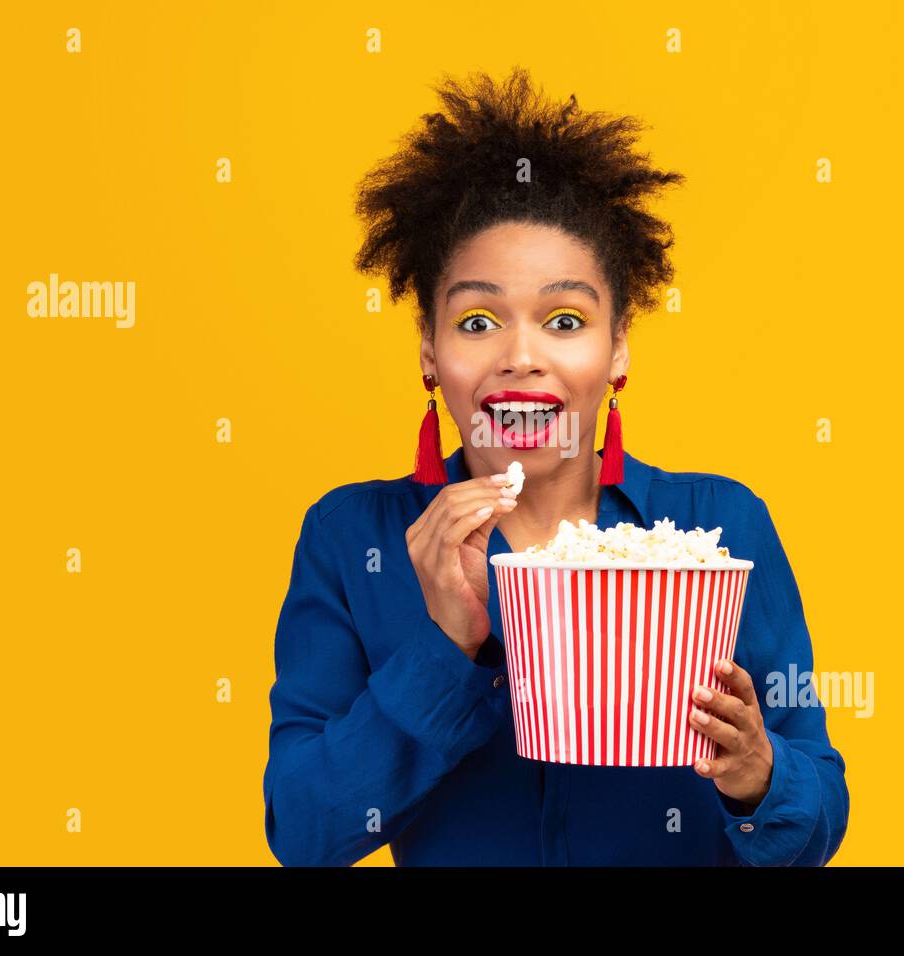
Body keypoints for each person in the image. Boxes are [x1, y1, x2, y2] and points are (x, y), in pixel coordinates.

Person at [262, 66, 849, 866]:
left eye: (565, 319)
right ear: (430, 354)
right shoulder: (350, 536)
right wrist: (444, 648)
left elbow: (816, 829)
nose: (522, 356)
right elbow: (303, 833)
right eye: (477, 321)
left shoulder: (722, 525)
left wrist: (758, 774)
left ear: (617, 349)